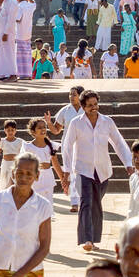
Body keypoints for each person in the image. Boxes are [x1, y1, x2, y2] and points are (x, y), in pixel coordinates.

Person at [62, 89, 132, 252]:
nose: (94, 108)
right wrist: (66, 169)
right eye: (90, 106)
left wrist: (128, 162)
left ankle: (93, 239)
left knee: (95, 204)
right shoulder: (76, 123)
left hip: (102, 170)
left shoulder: (107, 122)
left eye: (95, 104)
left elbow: (118, 143)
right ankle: (87, 239)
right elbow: (67, 146)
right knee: (86, 202)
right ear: (83, 106)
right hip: (83, 169)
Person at [50, 85, 85, 213]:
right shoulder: (65, 110)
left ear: (81, 96)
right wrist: (48, 123)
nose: (71, 97)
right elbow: (56, 130)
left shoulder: (86, 109)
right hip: (68, 146)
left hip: (83, 145)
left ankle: (84, 200)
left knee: (81, 173)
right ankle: (74, 202)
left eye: (74, 94)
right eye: (70, 94)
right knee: (69, 172)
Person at [21, 117, 69, 205]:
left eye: (44, 127)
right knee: (34, 204)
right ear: (33, 131)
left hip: (48, 178)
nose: (43, 129)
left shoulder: (51, 146)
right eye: (39, 127)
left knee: (47, 204)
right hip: (34, 179)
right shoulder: (28, 147)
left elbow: (55, 163)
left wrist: (63, 179)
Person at [0, 119, 25, 191]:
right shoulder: (2, 141)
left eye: (12, 130)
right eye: (8, 130)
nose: (10, 132)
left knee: (15, 182)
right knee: (5, 182)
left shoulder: (20, 141)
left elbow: (25, 153)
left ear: (15, 130)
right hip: (5, 164)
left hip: (16, 164)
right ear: (5, 130)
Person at [15, 0, 35, 79]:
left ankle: (21, 74)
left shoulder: (19, 6)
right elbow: (34, 2)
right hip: (28, 33)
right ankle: (28, 74)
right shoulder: (30, 6)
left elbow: (18, 19)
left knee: (20, 56)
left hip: (20, 33)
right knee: (27, 55)